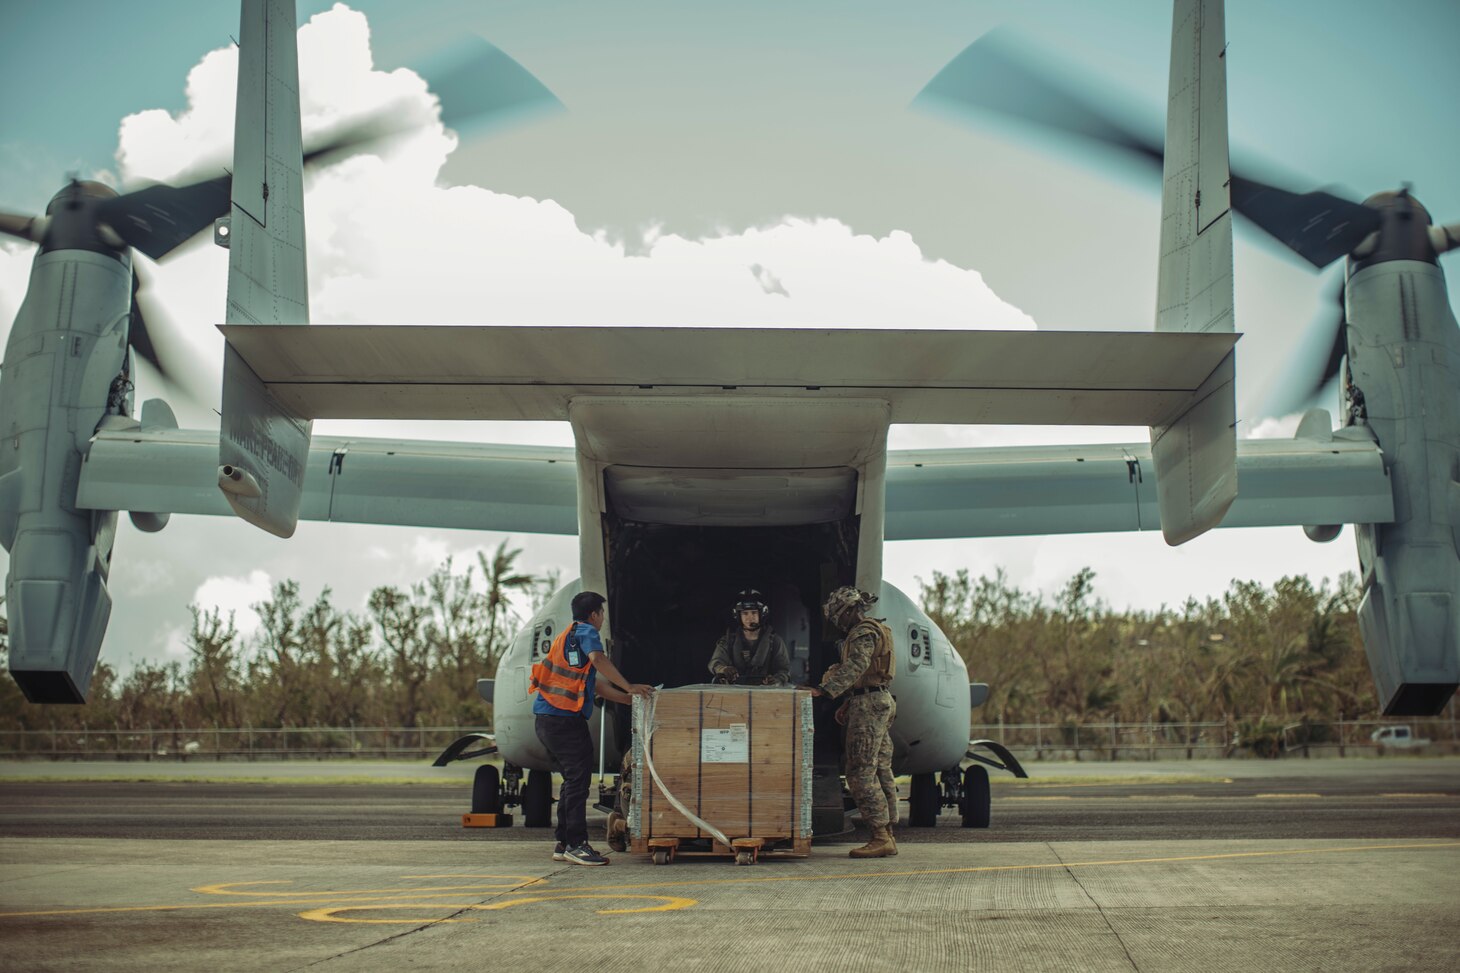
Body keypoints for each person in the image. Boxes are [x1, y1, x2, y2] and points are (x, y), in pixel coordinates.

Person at [531, 591, 653, 866]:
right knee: (578, 782)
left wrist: (626, 698)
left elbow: (595, 682)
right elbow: (599, 660)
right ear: (594, 614)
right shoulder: (587, 633)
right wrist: (629, 686)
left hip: (549, 719)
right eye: (602, 614)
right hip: (563, 720)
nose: (602, 620)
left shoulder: (569, 636)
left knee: (571, 781)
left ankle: (563, 843)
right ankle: (577, 844)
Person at [803, 586, 898, 859]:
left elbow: (857, 665)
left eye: (837, 616)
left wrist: (825, 689)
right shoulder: (875, 629)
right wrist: (849, 700)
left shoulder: (862, 633)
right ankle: (888, 833)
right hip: (876, 699)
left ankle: (880, 836)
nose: (836, 622)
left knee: (859, 771)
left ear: (847, 611)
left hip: (869, 705)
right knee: (880, 768)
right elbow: (868, 675)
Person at [707, 589, 791, 686]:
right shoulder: (729, 640)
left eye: (754, 612)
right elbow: (715, 663)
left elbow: (784, 670)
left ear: (762, 613)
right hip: (734, 692)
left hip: (764, 692)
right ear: (738, 615)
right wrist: (724, 669)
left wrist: (776, 680)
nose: (749, 617)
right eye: (745, 613)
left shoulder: (775, 641)